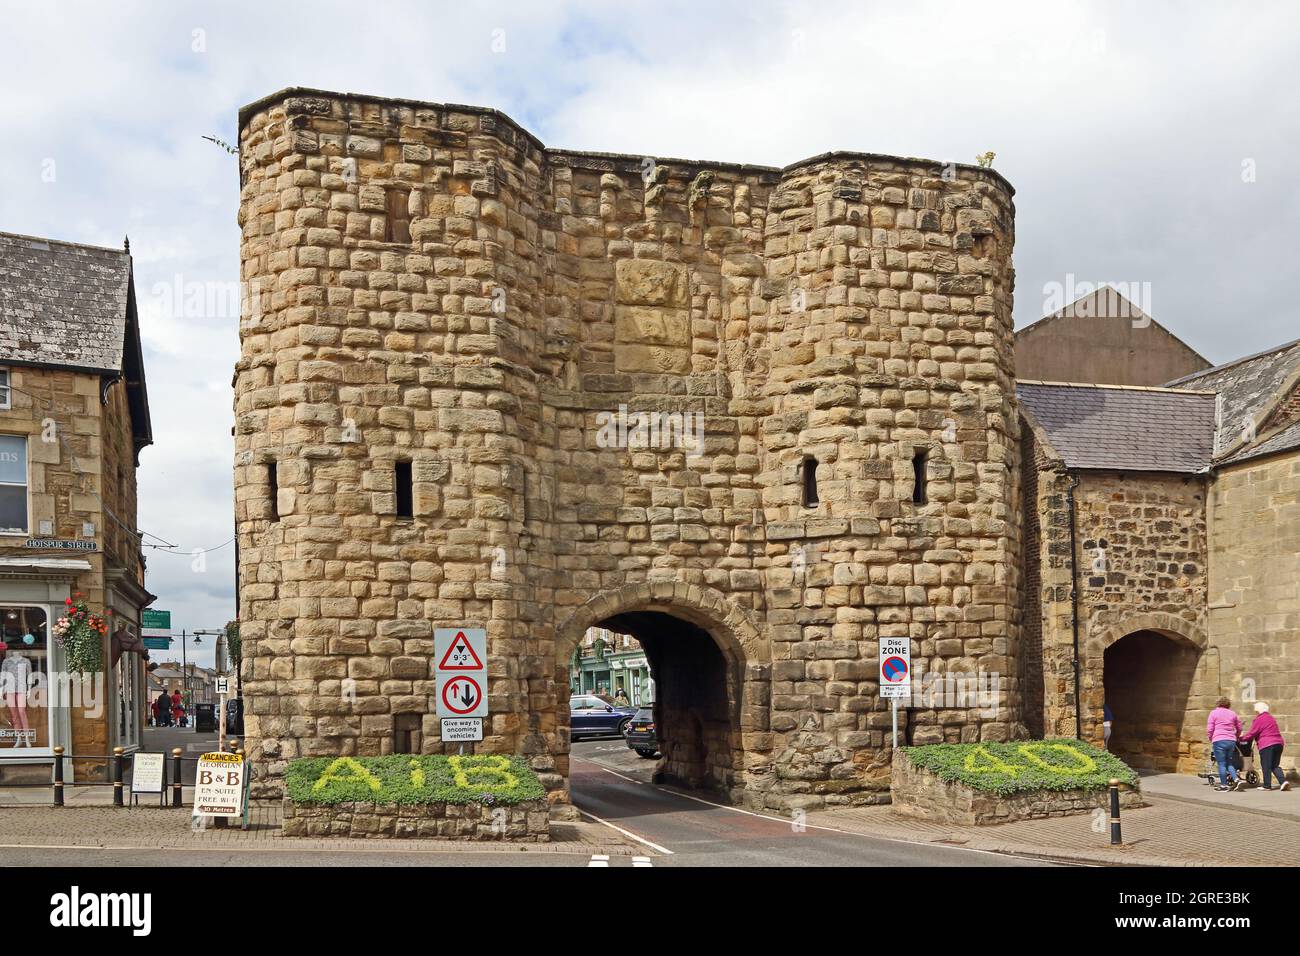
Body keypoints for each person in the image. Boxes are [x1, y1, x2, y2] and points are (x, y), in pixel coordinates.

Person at [1241, 701, 1290, 791]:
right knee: (1275, 765)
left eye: (1255, 711)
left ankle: (1267, 785)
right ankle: (1283, 782)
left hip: (1267, 744)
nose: (1255, 713)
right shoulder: (1271, 718)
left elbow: (1252, 732)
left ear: (1258, 711)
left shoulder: (1259, 719)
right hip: (1279, 743)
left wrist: (1241, 738)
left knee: (1266, 765)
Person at [1207, 696, 1246, 791]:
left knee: (1221, 763)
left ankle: (1224, 785)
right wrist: (1236, 736)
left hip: (1219, 740)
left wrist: (1211, 738)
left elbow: (1210, 729)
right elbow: (1239, 727)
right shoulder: (1233, 713)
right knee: (1229, 762)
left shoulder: (1213, 713)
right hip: (1231, 740)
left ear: (1218, 703)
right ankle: (1236, 779)